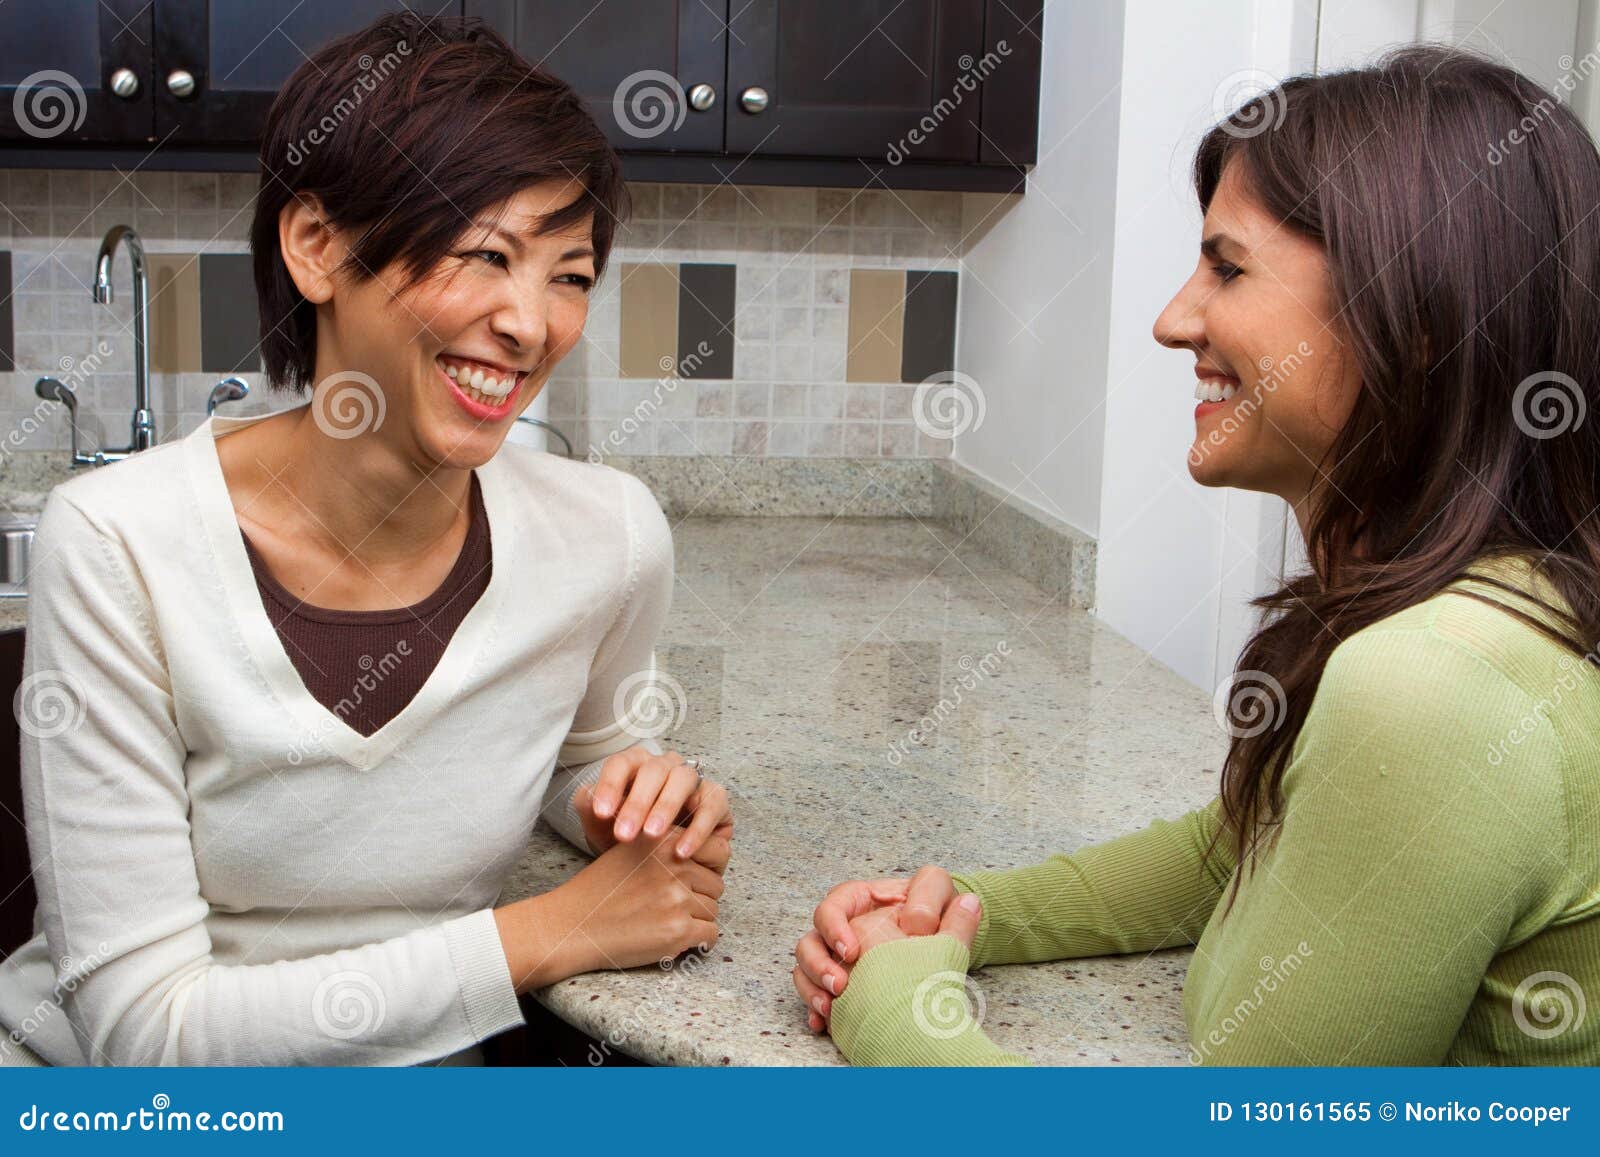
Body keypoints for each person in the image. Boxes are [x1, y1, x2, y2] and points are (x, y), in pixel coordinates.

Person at [796, 45, 1600, 1066]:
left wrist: (900, 1013)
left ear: (1421, 320)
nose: (1174, 319)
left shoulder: (1436, 684)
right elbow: (1245, 846)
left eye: (1226, 267)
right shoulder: (1487, 601)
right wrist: (970, 912)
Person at [0, 12, 730, 1067]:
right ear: (316, 246)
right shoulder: (119, 540)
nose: (532, 323)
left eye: (569, 274)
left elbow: (580, 751)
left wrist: (639, 801)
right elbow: (146, 1032)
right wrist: (555, 927)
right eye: (486, 254)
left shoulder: (608, 534)